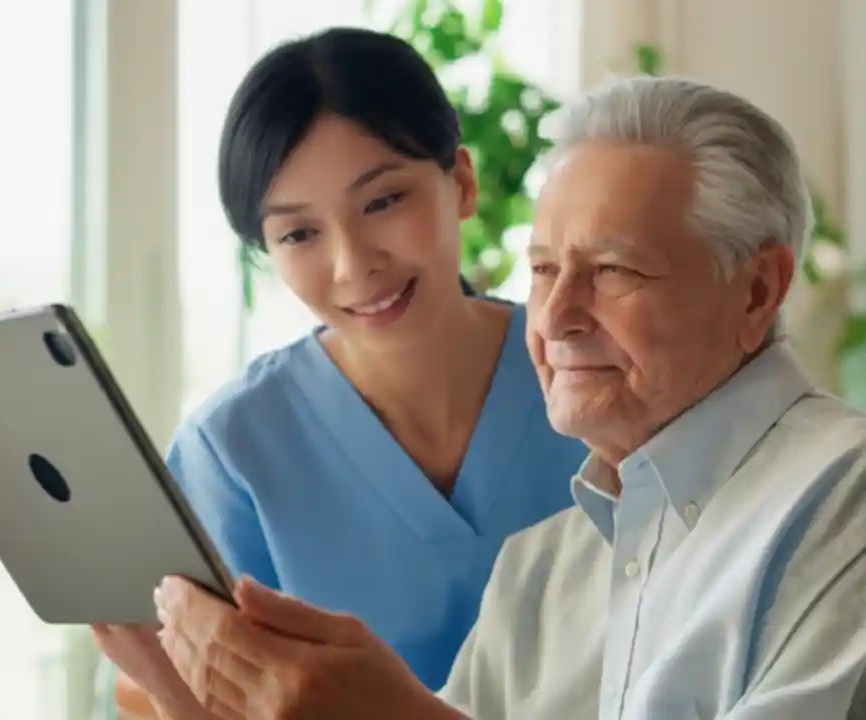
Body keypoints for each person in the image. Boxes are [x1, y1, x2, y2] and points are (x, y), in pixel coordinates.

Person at [141, 75, 866, 720]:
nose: (551, 317)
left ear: (756, 292)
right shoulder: (544, 567)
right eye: (544, 269)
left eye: (613, 270)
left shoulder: (856, 496)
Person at [91, 26, 589, 719]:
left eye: (384, 201)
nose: (354, 265)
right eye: (299, 234)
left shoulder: (595, 379)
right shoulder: (233, 453)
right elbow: (155, 691)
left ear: (462, 183)